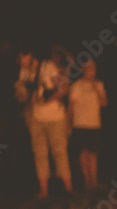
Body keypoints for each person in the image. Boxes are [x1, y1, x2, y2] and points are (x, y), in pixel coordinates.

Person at [29, 45, 72, 198]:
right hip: (37, 117)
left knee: (59, 152)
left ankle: (68, 188)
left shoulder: (49, 67)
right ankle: (44, 191)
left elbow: (63, 88)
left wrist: (47, 100)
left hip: (55, 116)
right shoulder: (28, 71)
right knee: (40, 154)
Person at [67, 60, 107, 191]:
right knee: (83, 153)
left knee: (93, 153)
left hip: (94, 123)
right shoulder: (77, 86)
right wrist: (68, 124)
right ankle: (86, 181)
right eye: (89, 67)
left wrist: (95, 87)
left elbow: (104, 103)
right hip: (80, 123)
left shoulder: (99, 84)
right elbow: (71, 107)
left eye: (93, 67)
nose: (92, 69)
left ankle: (94, 180)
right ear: (83, 69)